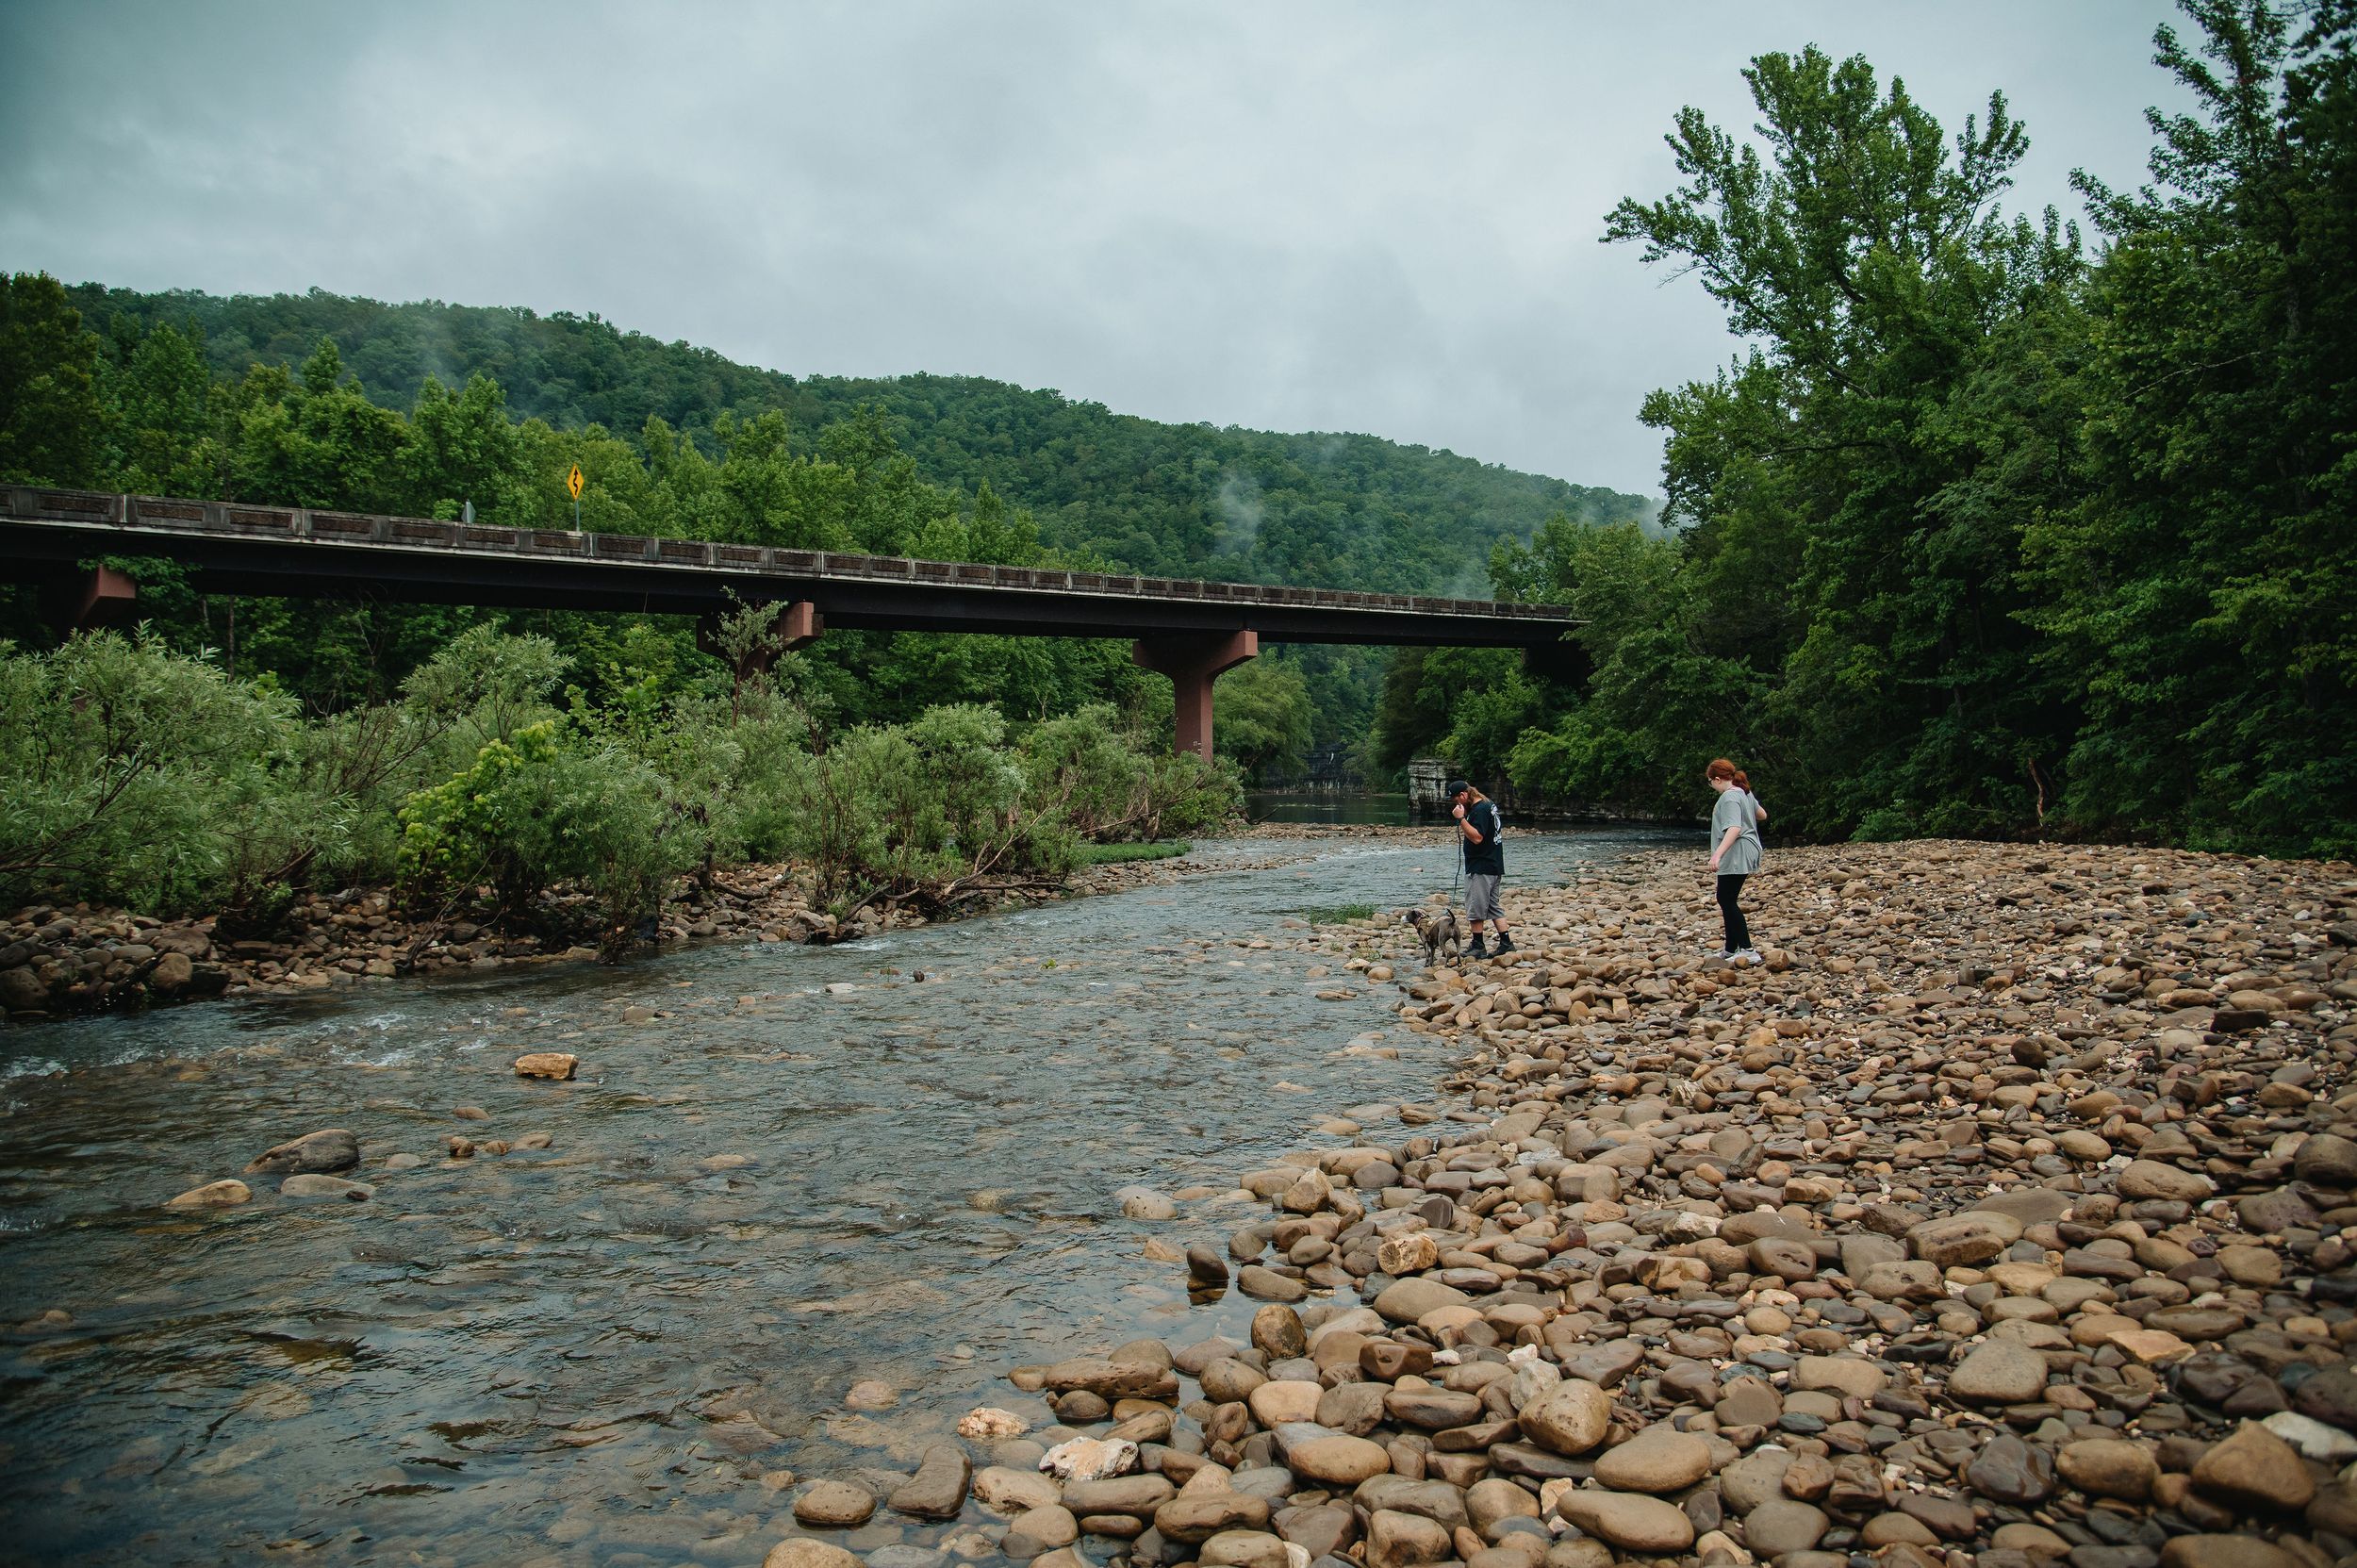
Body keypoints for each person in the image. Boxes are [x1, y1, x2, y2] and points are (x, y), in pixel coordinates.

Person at [1447, 778, 1514, 959]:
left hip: (1481, 865)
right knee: (1493, 906)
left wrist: (1461, 819)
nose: (1457, 804)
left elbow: (1477, 837)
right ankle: (1507, 943)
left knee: (1475, 906)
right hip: (1493, 863)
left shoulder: (1480, 810)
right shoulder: (1488, 804)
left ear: (1463, 795)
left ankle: (1478, 945)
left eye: (1456, 800)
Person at [1705, 758, 1762, 963]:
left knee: (1726, 899)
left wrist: (1717, 855)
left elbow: (1734, 828)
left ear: (1718, 779)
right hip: (1749, 848)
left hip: (1738, 852)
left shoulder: (1729, 797)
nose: (1711, 786)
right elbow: (1762, 815)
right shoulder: (1744, 792)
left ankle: (1747, 950)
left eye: (1710, 782)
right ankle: (1730, 949)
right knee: (1726, 898)